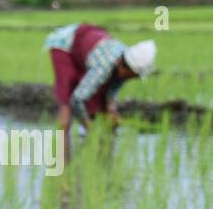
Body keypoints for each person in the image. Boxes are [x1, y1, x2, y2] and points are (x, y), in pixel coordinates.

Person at [44, 22, 157, 160]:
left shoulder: (123, 62)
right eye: (133, 76)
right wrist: (88, 126)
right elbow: (77, 99)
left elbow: (112, 91)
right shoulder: (102, 68)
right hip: (65, 46)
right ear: (124, 67)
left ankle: (102, 155)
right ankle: (62, 155)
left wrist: (111, 109)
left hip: (87, 50)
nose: (132, 79)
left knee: (99, 102)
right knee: (67, 97)